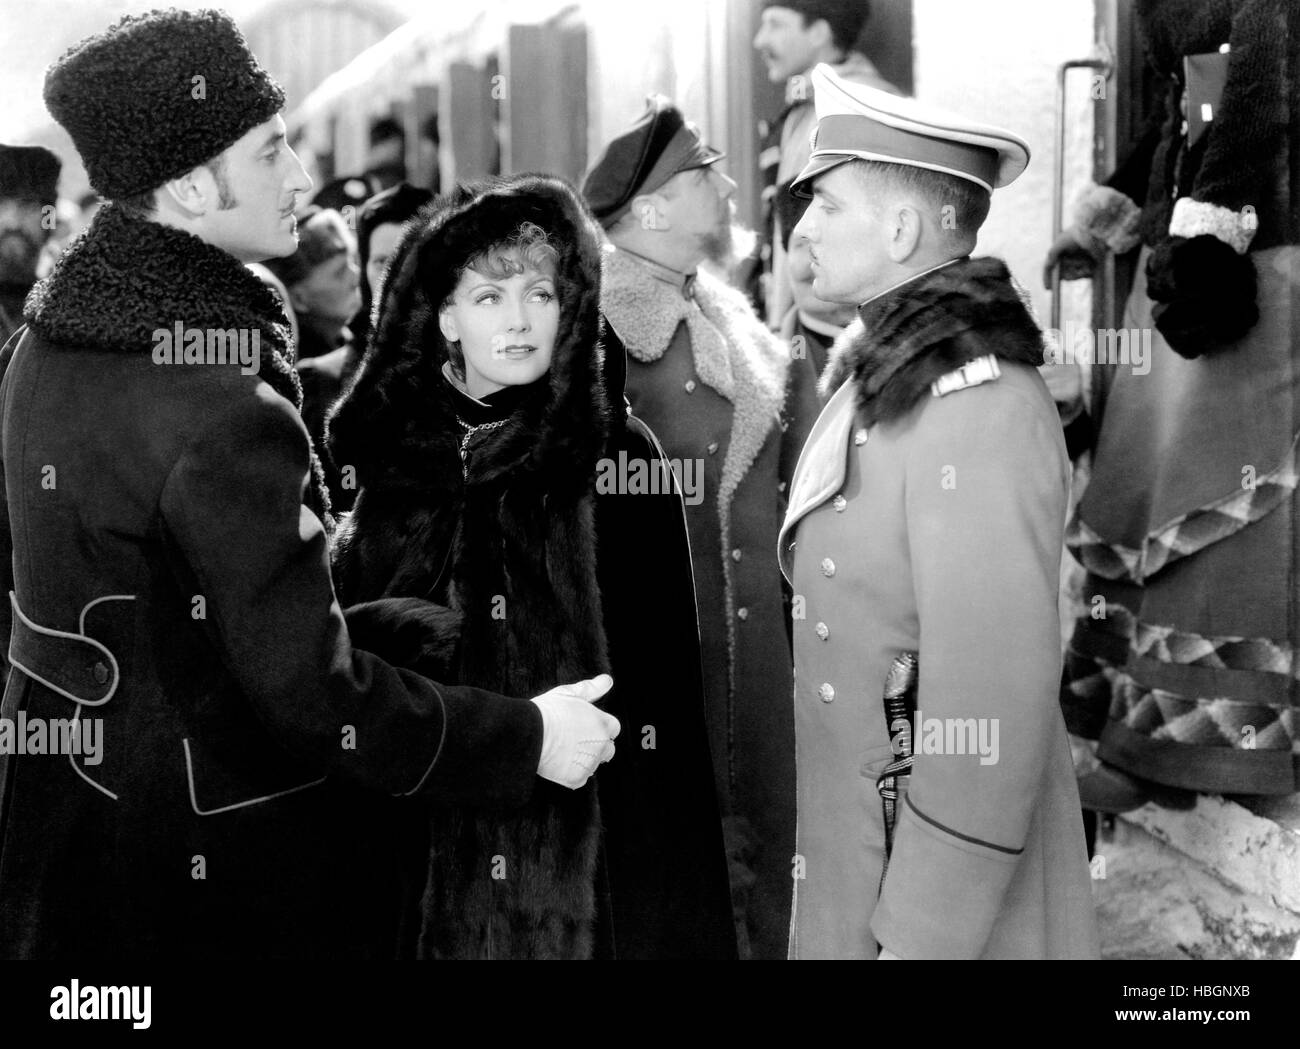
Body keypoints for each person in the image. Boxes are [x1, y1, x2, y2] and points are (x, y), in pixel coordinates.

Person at [0, 8, 617, 960]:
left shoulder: (42, 346)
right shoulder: (223, 408)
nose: (300, 178)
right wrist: (526, 736)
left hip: (72, 858)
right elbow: (314, 699)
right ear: (194, 185)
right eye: (272, 150)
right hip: (207, 883)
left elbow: (152, 612)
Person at [327, 174, 735, 959]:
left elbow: (665, 715)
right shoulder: (396, 464)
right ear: (446, 315)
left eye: (539, 295)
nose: (517, 322)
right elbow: (344, 674)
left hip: (592, 871)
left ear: (569, 306)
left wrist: (669, 912)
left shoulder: (612, 459)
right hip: (422, 856)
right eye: (488, 298)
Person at [781, 65, 1099, 958]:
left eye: (826, 205)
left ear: (902, 226)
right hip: (861, 860)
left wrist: (922, 938)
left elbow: (987, 709)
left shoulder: (976, 401)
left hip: (943, 910)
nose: (802, 231)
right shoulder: (886, 373)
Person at [1046, 0, 1300, 811]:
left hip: (1248, 264)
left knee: (1218, 507)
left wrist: (1209, 233)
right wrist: (1112, 211)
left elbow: (1258, 96)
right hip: (1185, 262)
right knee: (1139, 491)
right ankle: (1147, 733)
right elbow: (1185, 111)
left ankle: (1231, 750)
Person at [582, 97, 817, 960]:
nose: (726, 181)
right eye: (703, 168)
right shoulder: (601, 328)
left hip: (764, 654)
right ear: (649, 208)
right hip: (671, 667)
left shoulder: (725, 313)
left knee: (771, 856)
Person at [753, 1, 900, 328]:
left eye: (775, 24)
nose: (760, 40)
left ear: (819, 32)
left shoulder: (859, 106)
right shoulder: (807, 104)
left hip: (842, 329)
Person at [0, 144, 60, 347]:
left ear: (48, 219)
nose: (12, 222)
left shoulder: (67, 302)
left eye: (27, 205)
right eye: (0, 205)